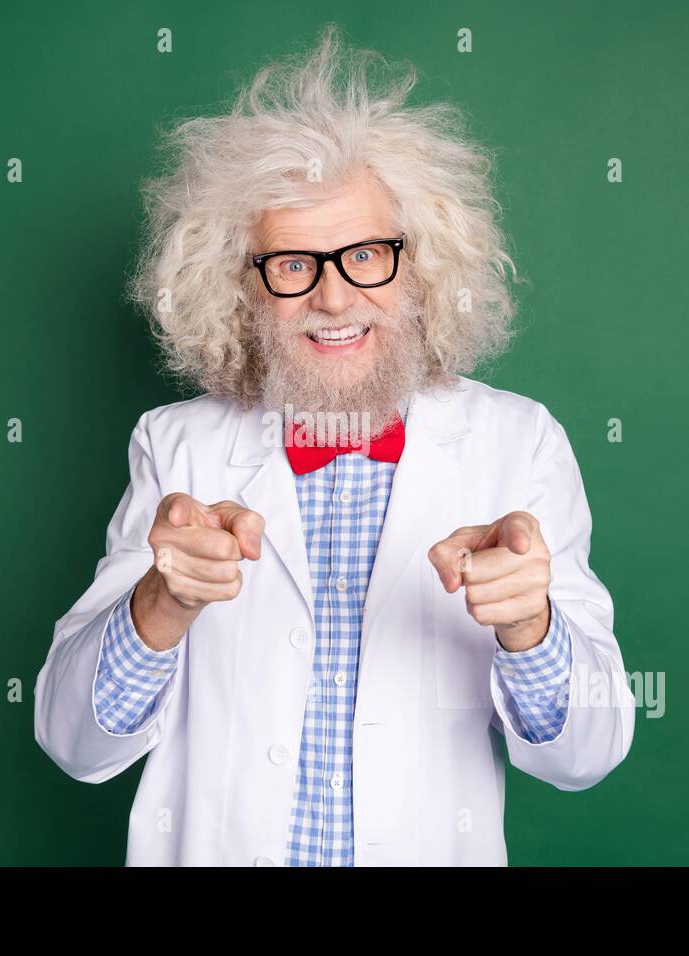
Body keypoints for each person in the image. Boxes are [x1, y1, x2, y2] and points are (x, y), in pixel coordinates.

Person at [33, 24, 635, 866]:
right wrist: (161, 605)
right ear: (242, 289)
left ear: (421, 267)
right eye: (292, 265)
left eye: (366, 255)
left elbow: (586, 756)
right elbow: (75, 744)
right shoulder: (176, 447)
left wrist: (530, 624)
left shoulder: (518, 442)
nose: (333, 296)